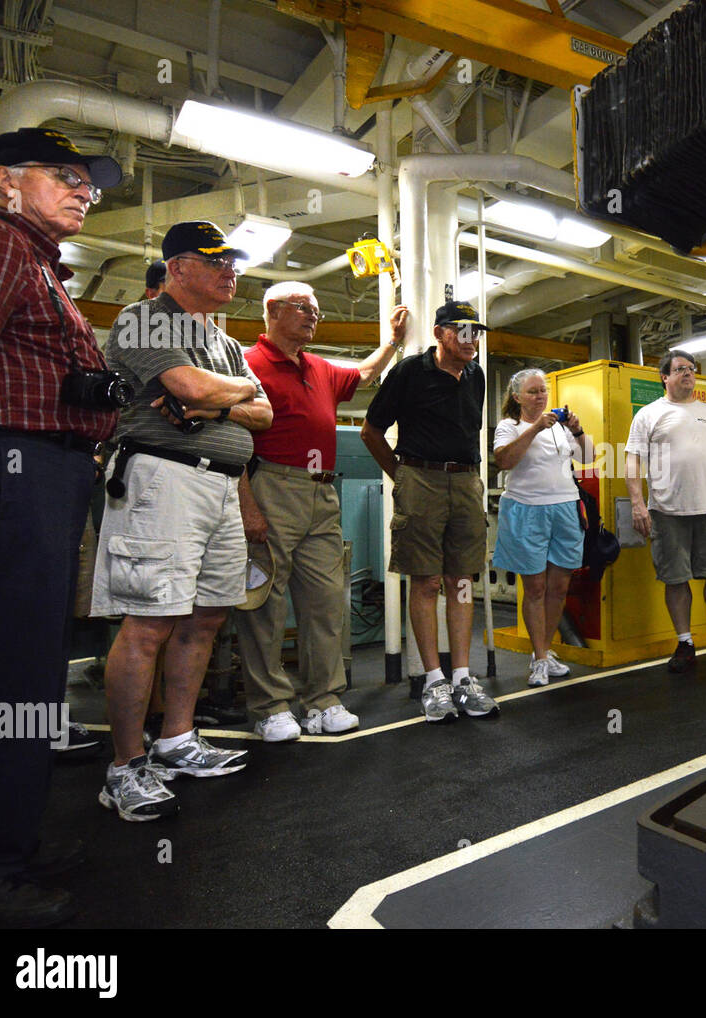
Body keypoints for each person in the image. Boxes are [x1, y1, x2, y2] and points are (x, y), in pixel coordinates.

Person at [0, 127, 122, 926]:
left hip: (44, 472)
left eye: (88, 183)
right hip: (8, 470)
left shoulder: (43, 270)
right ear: (7, 181)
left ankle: (7, 848)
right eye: (64, 176)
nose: (83, 190)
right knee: (9, 673)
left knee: (27, 670)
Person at [93, 221, 273, 820]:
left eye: (234, 263)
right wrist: (223, 394)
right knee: (150, 622)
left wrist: (219, 395)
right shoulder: (145, 319)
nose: (231, 272)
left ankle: (176, 739)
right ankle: (124, 767)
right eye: (215, 261)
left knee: (206, 616)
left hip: (220, 484)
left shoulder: (222, 339)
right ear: (177, 269)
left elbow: (264, 412)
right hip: (161, 477)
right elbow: (187, 385)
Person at [237, 282, 408, 740]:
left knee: (327, 603)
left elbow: (365, 375)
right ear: (272, 311)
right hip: (271, 483)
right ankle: (270, 706)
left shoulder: (319, 368)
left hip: (322, 491)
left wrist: (390, 342)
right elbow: (232, 442)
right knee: (264, 605)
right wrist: (247, 505)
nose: (313, 316)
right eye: (302, 308)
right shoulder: (247, 365)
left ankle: (322, 700)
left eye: (316, 310)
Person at [361, 300, 499, 723]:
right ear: (440, 333)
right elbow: (371, 431)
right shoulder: (409, 372)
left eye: (476, 331)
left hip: (466, 480)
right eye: (462, 330)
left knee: (461, 581)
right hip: (420, 479)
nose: (472, 339)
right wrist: (402, 477)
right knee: (425, 580)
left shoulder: (475, 375)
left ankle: (461, 677)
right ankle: (435, 681)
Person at [625, 349, 706, 674]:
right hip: (667, 511)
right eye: (680, 369)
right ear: (664, 377)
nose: (687, 373)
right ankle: (684, 643)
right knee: (675, 577)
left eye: (691, 368)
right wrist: (638, 504)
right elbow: (633, 460)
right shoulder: (648, 414)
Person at [492, 368, 594, 687]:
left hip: (564, 507)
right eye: (533, 391)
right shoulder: (510, 426)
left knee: (559, 586)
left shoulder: (560, 429)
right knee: (535, 587)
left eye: (543, 390)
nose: (540, 396)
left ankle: (546, 652)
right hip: (526, 509)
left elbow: (589, 457)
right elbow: (505, 461)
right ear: (517, 397)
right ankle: (538, 658)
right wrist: (535, 428)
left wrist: (576, 430)